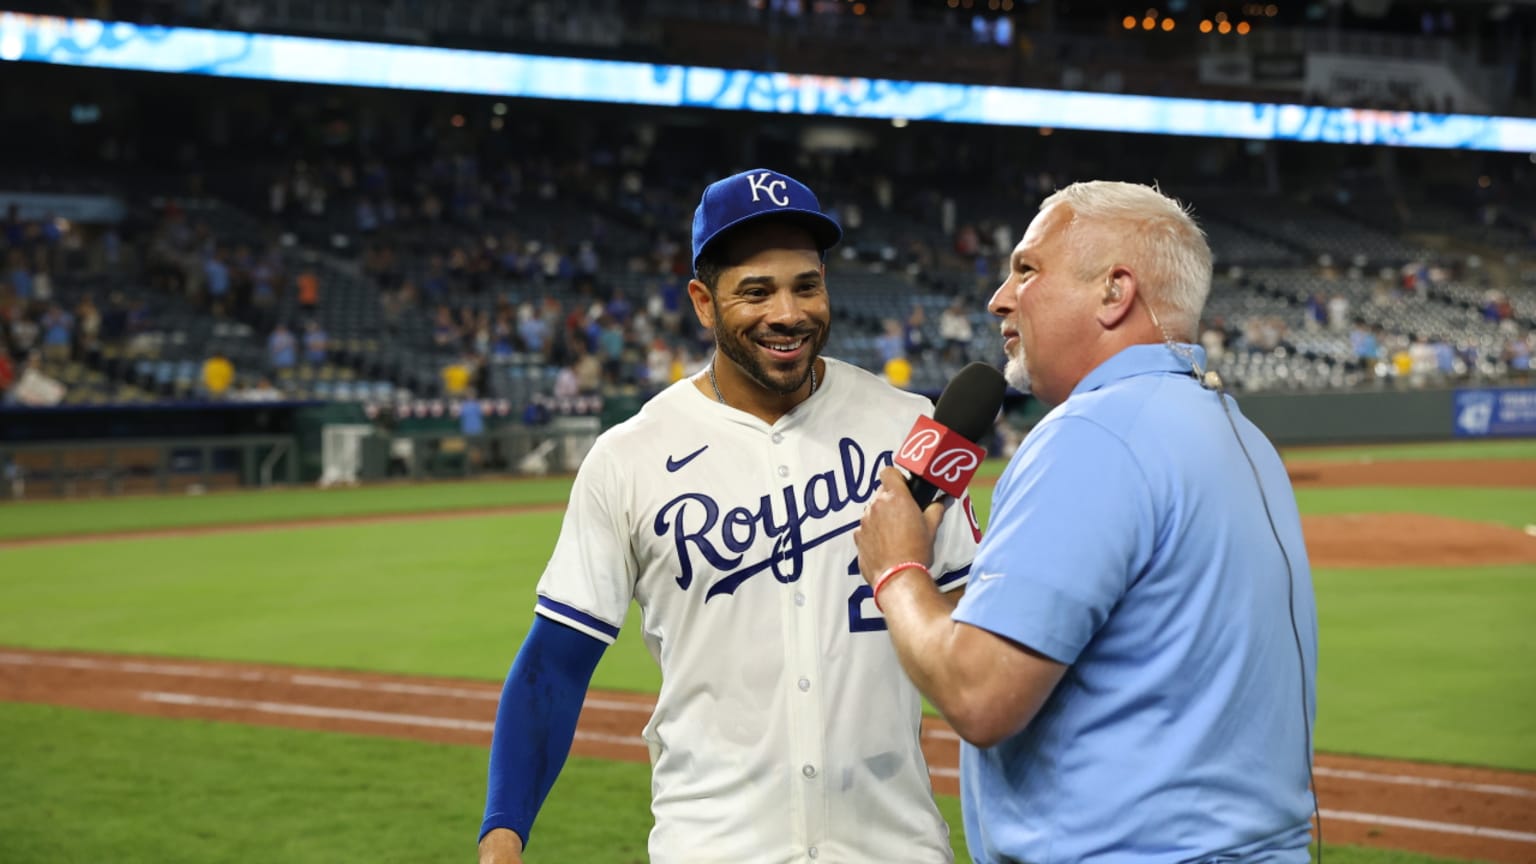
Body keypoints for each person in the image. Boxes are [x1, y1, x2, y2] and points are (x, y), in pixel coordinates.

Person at [478, 168, 980, 864]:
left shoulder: (909, 429)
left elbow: (979, 642)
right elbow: (555, 664)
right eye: (756, 291)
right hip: (712, 847)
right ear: (703, 303)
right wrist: (503, 837)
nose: (788, 313)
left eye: (806, 285)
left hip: (893, 846)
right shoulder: (630, 456)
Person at [853, 181, 1319, 864]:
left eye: (1026, 270)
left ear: (1114, 292)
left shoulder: (1093, 434)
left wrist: (897, 571)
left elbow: (980, 694)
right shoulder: (1237, 432)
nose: (999, 298)